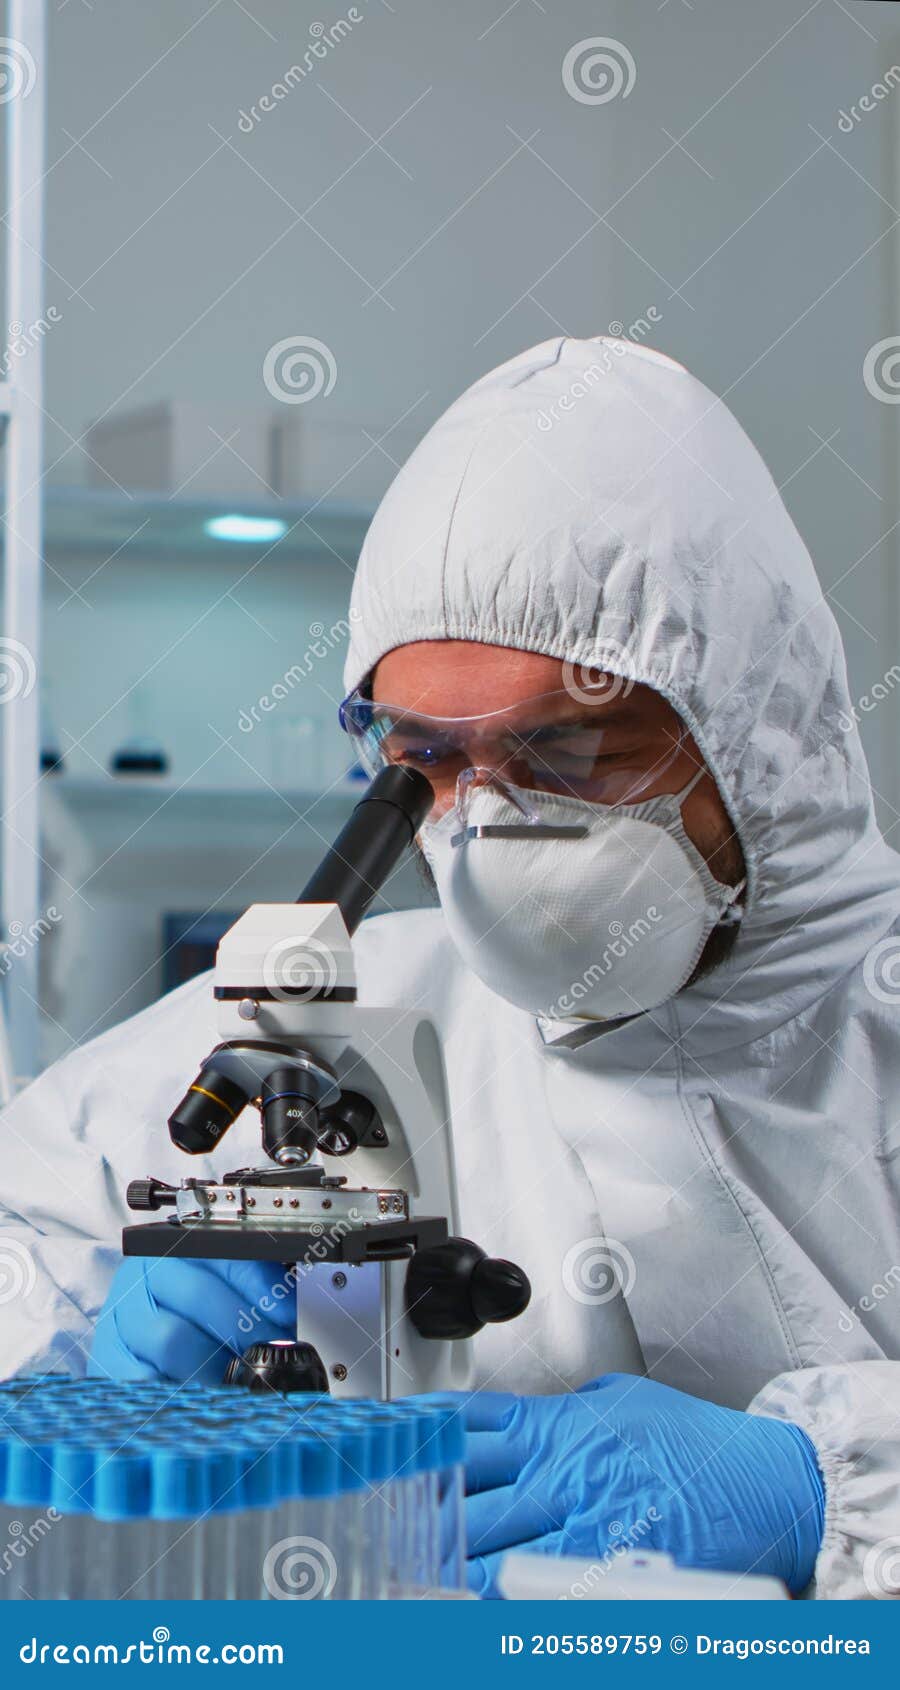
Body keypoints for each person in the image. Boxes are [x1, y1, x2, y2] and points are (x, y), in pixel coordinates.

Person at [2, 337, 898, 1600]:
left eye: (571, 750)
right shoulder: (342, 1005)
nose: (489, 824)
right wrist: (83, 1380)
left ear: (748, 728)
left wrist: (831, 1494)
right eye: (428, 758)